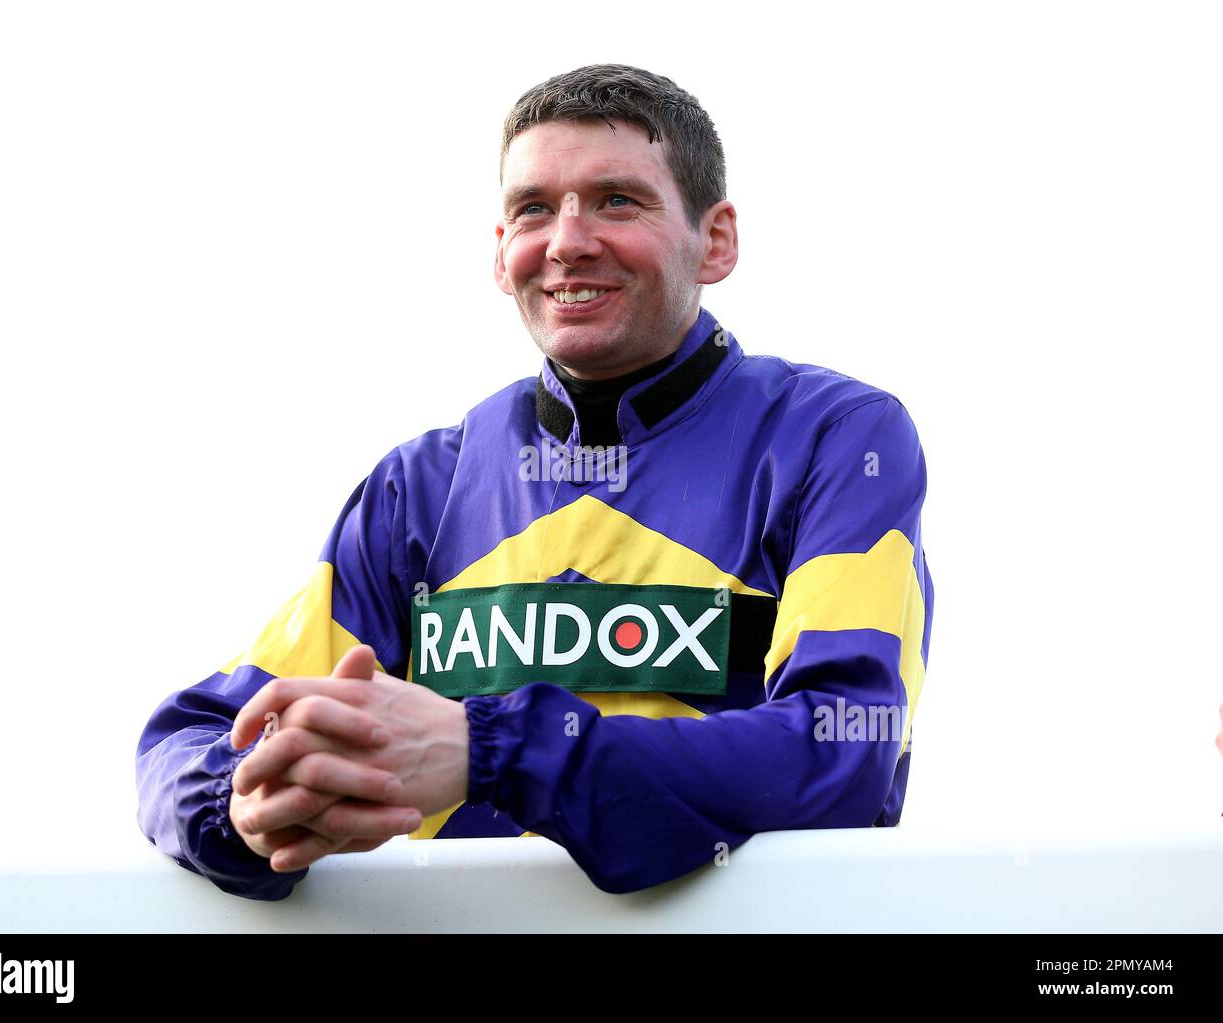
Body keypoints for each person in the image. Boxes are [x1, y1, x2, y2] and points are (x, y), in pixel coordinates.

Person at [134, 63, 935, 900]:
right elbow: (187, 738)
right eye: (533, 209)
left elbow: (843, 755)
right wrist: (244, 806)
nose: (568, 241)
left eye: (618, 200)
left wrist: (486, 751)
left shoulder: (836, 437)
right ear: (500, 251)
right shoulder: (421, 486)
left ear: (717, 240)